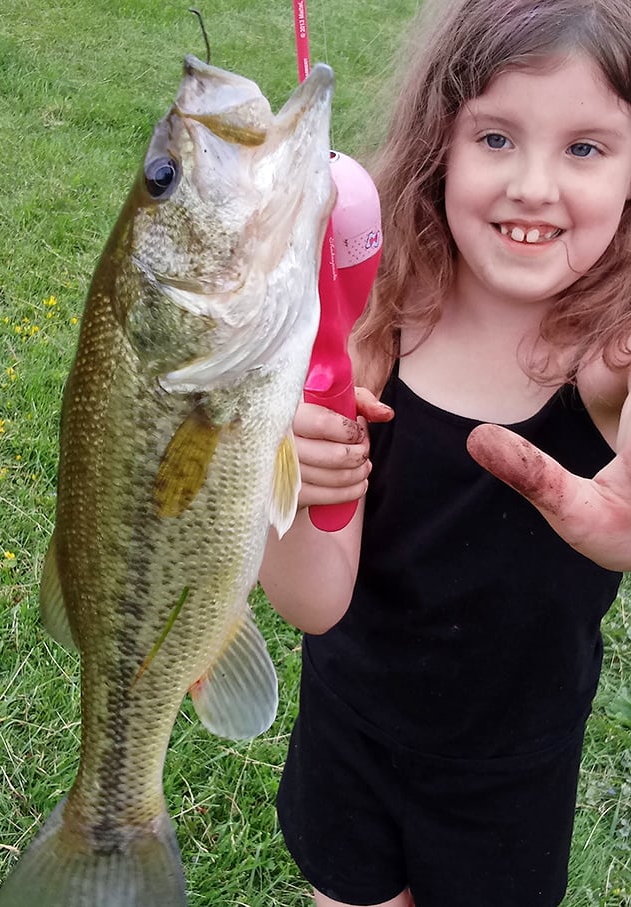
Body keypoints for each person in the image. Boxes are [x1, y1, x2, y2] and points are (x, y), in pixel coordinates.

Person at [259, 1, 631, 905]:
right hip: (350, 733)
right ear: (441, 146)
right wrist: (290, 481)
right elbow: (313, 601)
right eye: (496, 138)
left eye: (585, 148)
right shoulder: (376, 327)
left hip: (511, 776)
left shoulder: (610, 357)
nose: (534, 186)